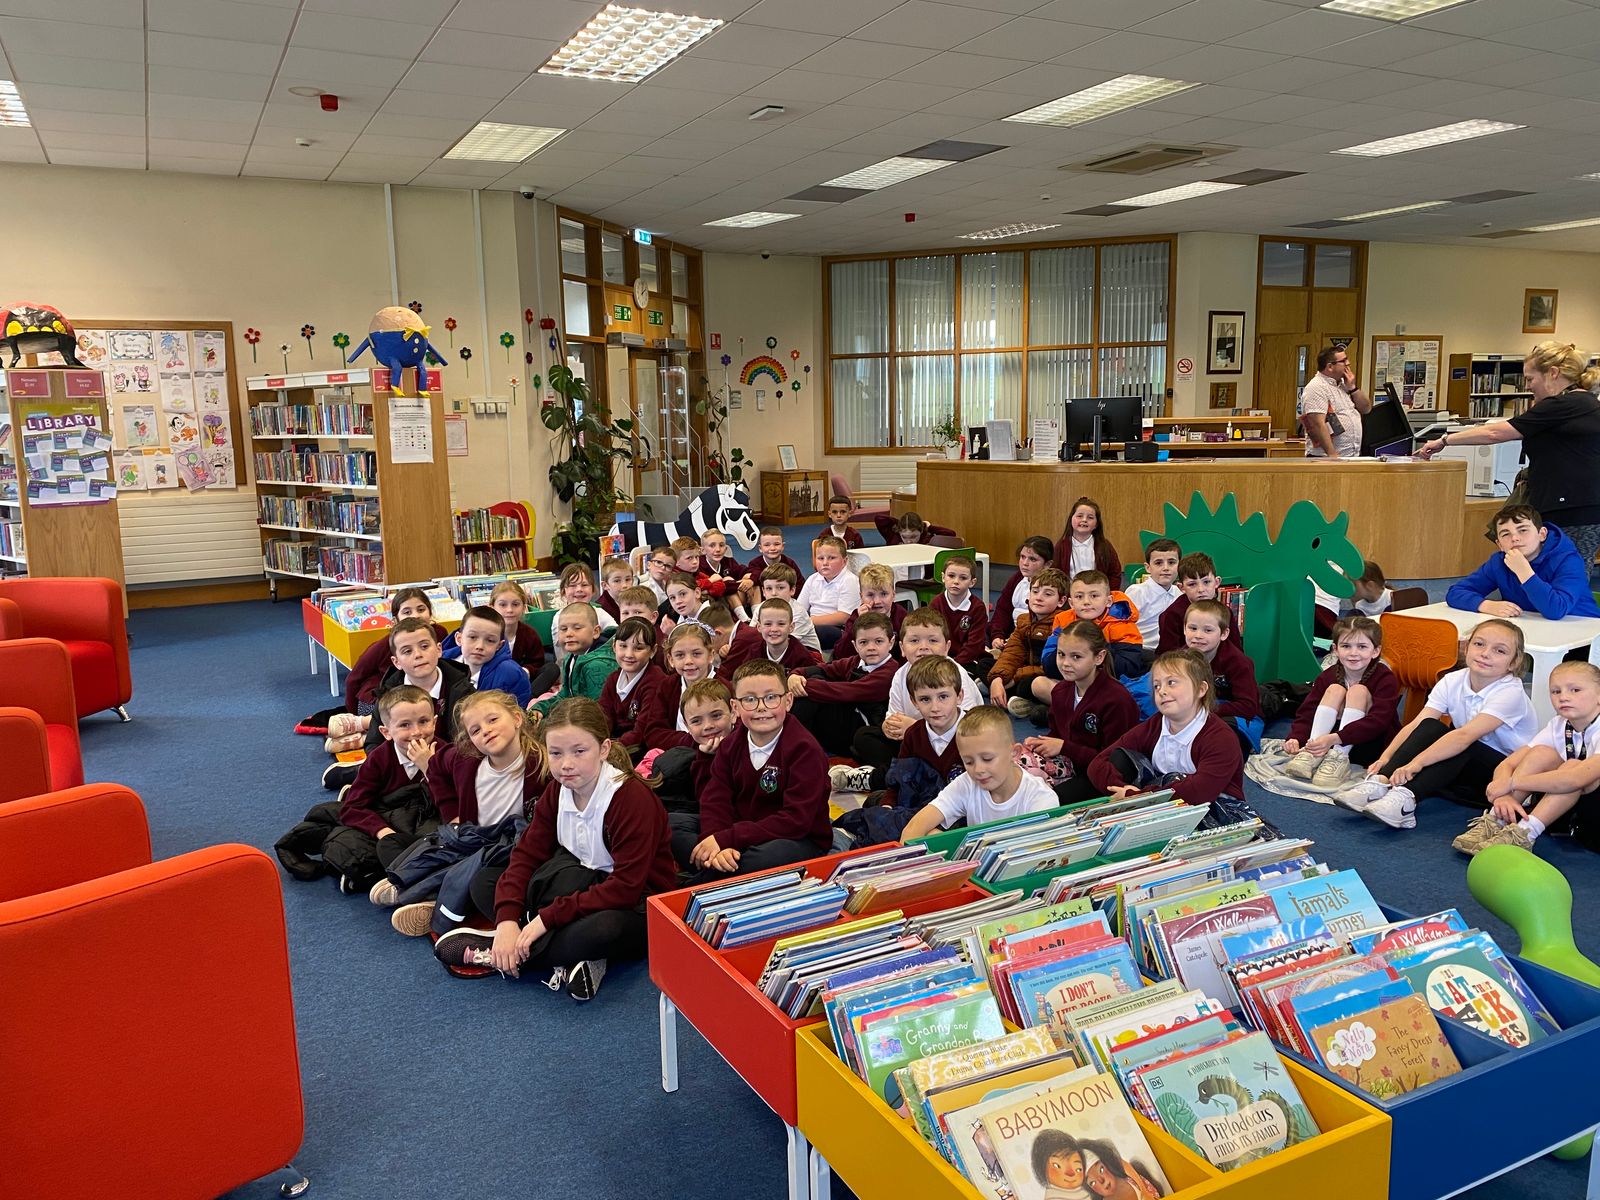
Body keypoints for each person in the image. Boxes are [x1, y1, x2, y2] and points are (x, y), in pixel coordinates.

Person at [433, 697, 676, 1001]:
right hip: (578, 883)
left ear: (603, 749)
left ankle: (505, 955)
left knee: (603, 929)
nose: (566, 764)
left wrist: (544, 920)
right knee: (485, 882)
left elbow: (626, 888)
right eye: (556, 753)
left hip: (634, 903)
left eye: (579, 751)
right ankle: (563, 953)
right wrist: (508, 918)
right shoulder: (557, 790)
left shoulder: (630, 799)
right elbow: (527, 854)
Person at [1417, 340, 1600, 572]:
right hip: (1576, 506)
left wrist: (1444, 440)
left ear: (1553, 373)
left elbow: (1495, 433)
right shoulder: (1583, 403)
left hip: (1573, 510)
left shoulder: (1563, 405)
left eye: (1531, 379)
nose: (1529, 386)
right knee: (1561, 573)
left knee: (1565, 575)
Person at [1347, 618, 1538, 830]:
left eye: (1499, 651)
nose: (1485, 653)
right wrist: (1386, 758)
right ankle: (1381, 783)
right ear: (1465, 647)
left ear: (1513, 663)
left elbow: (1464, 737)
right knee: (1432, 726)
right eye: (1479, 644)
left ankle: (1407, 800)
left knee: (1462, 741)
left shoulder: (1510, 691)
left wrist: (1416, 763)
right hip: (1461, 768)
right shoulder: (1453, 680)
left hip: (1500, 778)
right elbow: (1418, 724)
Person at [388, 689, 543, 937]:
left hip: (512, 848)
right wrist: (453, 817)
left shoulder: (542, 763)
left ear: (516, 718)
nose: (486, 731)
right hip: (473, 838)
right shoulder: (465, 759)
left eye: (493, 720)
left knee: (483, 877)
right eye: (476, 730)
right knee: (407, 846)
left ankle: (429, 900)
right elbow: (435, 769)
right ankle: (418, 889)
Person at [675, 659, 832, 878]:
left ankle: (703, 881)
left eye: (771, 698)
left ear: (788, 701)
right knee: (670, 825)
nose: (761, 707)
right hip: (741, 832)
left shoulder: (805, 750)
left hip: (797, 838)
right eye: (749, 699)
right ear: (735, 707)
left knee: (769, 857)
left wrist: (727, 839)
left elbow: (796, 821)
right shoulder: (731, 745)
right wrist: (716, 839)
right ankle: (720, 867)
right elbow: (715, 798)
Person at [1088, 650, 1256, 828]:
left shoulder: (1221, 738)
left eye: (1172, 683)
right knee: (1119, 759)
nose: (1162, 691)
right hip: (1160, 805)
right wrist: (1123, 790)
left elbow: (1198, 793)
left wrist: (1135, 798)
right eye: (1156, 686)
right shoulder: (1155, 725)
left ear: (1201, 689)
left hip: (1213, 811)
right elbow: (1098, 763)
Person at [1453, 661, 1600, 855]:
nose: (1563, 697)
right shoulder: (1559, 724)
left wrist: (1512, 783)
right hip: (1570, 810)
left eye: (1575, 690)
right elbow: (1508, 763)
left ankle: (1525, 834)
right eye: (1556, 691)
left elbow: (1576, 779)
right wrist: (1503, 796)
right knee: (1541, 753)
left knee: (1573, 767)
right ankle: (1497, 820)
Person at [839, 607, 986, 790]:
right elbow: (893, 716)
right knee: (864, 736)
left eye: (932, 640)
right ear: (901, 648)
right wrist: (889, 725)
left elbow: (971, 728)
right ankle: (907, 775)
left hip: (955, 747)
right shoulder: (901, 675)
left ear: (947, 647)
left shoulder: (957, 676)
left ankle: (881, 778)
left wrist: (916, 728)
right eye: (914, 640)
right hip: (914, 743)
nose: (923, 647)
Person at [326, 685, 441, 895]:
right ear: (386, 732)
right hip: (390, 822)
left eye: (423, 722)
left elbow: (455, 805)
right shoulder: (379, 759)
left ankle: (403, 884)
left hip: (427, 824)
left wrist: (429, 769)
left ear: (434, 722)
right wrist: (384, 833)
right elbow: (352, 807)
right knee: (349, 838)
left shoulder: (445, 754)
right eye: (404, 725)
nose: (416, 732)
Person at [1023, 621, 1140, 805]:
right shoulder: (1061, 691)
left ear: (1099, 657)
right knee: (1015, 780)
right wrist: (1041, 745)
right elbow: (1056, 733)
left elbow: (1115, 760)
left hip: (1102, 776)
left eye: (1076, 657)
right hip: (1068, 766)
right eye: (1061, 655)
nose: (1066, 663)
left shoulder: (1117, 700)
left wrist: (1063, 747)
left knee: (1046, 802)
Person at [900, 706, 1057, 840]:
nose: (978, 770)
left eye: (987, 759)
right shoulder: (967, 782)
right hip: (974, 865)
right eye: (968, 762)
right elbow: (914, 827)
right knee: (929, 835)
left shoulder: (1040, 798)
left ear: (1014, 753)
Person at [1282, 616, 1400, 786]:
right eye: (1346, 646)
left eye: (1362, 647)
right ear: (1335, 649)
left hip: (1368, 745)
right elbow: (1308, 711)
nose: (1353, 653)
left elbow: (1379, 722)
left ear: (1375, 651)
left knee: (1358, 691)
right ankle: (1312, 753)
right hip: (1327, 744)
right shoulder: (1328, 676)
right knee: (1335, 689)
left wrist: (1336, 739)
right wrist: (1296, 737)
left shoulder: (1385, 678)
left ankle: (1339, 758)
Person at [1446, 502, 1600, 620]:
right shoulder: (1499, 562)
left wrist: (1523, 571)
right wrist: (1486, 605)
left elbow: (1556, 610)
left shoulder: (1568, 560)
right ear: (1499, 544)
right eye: (1505, 534)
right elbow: (1455, 593)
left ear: (1542, 534)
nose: (1515, 538)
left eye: (1523, 530)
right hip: (1531, 630)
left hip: (1582, 637)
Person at [336, 588, 448, 737]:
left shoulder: (440, 633)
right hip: (376, 696)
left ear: (430, 612)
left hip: (416, 689)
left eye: (421, 609)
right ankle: (362, 726)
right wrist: (352, 713)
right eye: (407, 612)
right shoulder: (384, 645)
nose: (415, 615)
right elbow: (353, 679)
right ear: (396, 619)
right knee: (400, 715)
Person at [790, 611, 899, 756]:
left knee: (814, 691)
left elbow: (849, 692)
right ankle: (794, 743)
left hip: (862, 731)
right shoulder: (855, 661)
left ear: (891, 642)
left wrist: (805, 686)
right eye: (864, 642)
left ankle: (790, 744)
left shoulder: (890, 671)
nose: (871, 647)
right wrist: (795, 675)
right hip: (844, 722)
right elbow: (824, 668)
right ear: (855, 645)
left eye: (878, 641)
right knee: (816, 678)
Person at [360, 617, 473, 754]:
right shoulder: (388, 693)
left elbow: (470, 743)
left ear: (438, 649)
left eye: (424, 646)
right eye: (407, 651)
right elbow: (374, 744)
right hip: (401, 767)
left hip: (448, 765)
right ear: (397, 662)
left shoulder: (464, 691)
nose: (418, 655)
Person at [1037, 570, 1143, 692]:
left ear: (1108, 601)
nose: (1086, 602)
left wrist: (1093, 644)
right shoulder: (1063, 620)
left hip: (1108, 686)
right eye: (1079, 596)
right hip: (1071, 681)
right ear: (1071, 603)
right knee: (1037, 684)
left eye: (1094, 596)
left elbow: (1129, 668)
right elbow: (1048, 663)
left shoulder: (1123, 625)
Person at [1182, 599, 1262, 751]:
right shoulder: (1181, 658)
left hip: (1233, 712)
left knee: (1221, 739)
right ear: (1184, 629)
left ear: (1224, 634)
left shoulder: (1238, 663)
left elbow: (1249, 706)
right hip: (1197, 709)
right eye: (1192, 628)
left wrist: (1203, 710)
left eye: (1208, 630)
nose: (1198, 635)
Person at [990, 568, 1068, 711]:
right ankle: (1004, 691)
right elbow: (1012, 653)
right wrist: (997, 679)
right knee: (986, 664)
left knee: (1029, 684)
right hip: (1025, 669)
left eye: (1048, 594)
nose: (1038, 597)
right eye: (1035, 591)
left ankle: (1014, 696)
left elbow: (1051, 668)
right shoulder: (1024, 620)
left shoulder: (1062, 626)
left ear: (1061, 600)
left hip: (1046, 676)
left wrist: (1014, 678)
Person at [529, 604, 617, 720]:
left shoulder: (598, 665)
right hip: (578, 715)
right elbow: (565, 695)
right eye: (563, 629)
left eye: (577, 628)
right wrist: (540, 708)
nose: (569, 634)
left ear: (596, 632)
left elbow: (599, 714)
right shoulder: (571, 657)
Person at [441, 605, 532, 707]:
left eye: (490, 641)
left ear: (499, 645)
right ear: (459, 638)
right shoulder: (442, 664)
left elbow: (518, 714)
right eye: (472, 637)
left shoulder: (513, 674)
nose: (480, 646)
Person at [598, 617, 664, 752]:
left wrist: (608, 749)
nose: (629, 654)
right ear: (614, 646)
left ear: (653, 651)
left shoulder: (655, 682)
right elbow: (603, 719)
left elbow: (641, 733)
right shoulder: (613, 679)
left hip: (639, 749)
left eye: (638, 648)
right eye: (623, 646)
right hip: (613, 745)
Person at [1299, 344, 1370, 459]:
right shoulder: (1316, 387)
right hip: (1327, 458)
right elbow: (1317, 424)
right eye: (1344, 361)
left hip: (1350, 457)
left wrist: (1353, 388)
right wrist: (1332, 456)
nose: (1348, 363)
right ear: (1330, 367)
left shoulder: (1343, 385)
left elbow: (1366, 409)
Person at [987, 536, 1054, 653]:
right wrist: (997, 636)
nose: (1025, 563)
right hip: (1011, 632)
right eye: (1022, 557)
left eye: (1032, 559)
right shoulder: (1017, 578)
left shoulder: (1052, 586)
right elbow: (1003, 610)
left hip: (1032, 637)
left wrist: (1014, 640)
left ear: (1047, 564)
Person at [797, 534, 861, 651]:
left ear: (844, 561)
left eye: (831, 558)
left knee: (817, 632)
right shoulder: (813, 579)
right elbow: (799, 608)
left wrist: (808, 622)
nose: (825, 563)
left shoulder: (849, 581)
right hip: (812, 624)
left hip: (838, 628)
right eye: (820, 558)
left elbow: (844, 617)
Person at [836, 563, 907, 657]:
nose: (877, 601)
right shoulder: (856, 617)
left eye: (884, 594)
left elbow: (908, 651)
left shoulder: (901, 616)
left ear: (893, 595)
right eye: (870, 595)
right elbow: (841, 653)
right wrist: (859, 623)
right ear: (861, 597)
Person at [930, 554, 989, 666]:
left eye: (963, 578)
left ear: (972, 582)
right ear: (943, 577)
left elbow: (974, 645)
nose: (956, 581)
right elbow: (931, 636)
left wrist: (954, 664)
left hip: (969, 659)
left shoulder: (977, 608)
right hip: (941, 658)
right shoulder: (936, 603)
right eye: (951, 576)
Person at [1126, 538, 1181, 655]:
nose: (1165, 568)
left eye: (1171, 562)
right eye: (1158, 563)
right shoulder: (1136, 592)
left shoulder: (1180, 594)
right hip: (1142, 650)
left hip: (1172, 652)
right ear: (1148, 567)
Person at [1155, 553, 1219, 654]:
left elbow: (1234, 648)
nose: (1201, 589)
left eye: (1206, 582)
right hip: (1182, 664)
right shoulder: (1172, 615)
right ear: (1181, 587)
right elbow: (1168, 655)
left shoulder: (1224, 611)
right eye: (1192, 584)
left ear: (1216, 582)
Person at [1053, 496, 1122, 589]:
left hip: (1098, 597)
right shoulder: (1061, 546)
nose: (1084, 520)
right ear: (1071, 519)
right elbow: (1055, 575)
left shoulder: (1105, 546)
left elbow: (1115, 574)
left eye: (1090, 517)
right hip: (1070, 597)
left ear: (1096, 524)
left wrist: (1106, 595)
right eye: (1079, 516)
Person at [736, 526, 802, 614]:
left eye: (777, 544)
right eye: (767, 545)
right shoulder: (755, 563)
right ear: (760, 548)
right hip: (763, 601)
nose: (772, 548)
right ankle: (756, 613)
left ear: (783, 546)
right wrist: (752, 580)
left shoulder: (790, 563)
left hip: (785, 600)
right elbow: (756, 575)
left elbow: (800, 584)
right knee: (749, 577)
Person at [756, 563, 819, 652]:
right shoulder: (760, 608)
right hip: (775, 649)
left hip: (806, 653)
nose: (774, 593)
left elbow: (783, 642)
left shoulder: (798, 612)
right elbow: (751, 634)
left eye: (780, 588)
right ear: (763, 591)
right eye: (769, 588)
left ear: (792, 590)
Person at [597, 556, 634, 623]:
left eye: (628, 579)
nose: (624, 585)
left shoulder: (636, 600)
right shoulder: (601, 610)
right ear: (605, 585)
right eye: (617, 581)